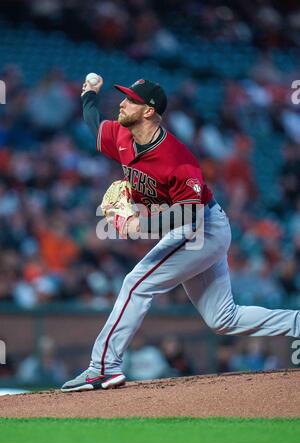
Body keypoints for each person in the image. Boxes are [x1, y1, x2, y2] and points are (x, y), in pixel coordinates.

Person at [61, 76, 299, 392]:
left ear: (149, 111)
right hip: (193, 229)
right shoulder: (122, 135)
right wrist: (89, 94)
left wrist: (139, 227)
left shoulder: (176, 158)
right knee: (222, 319)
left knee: (136, 285)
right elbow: (94, 125)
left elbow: (189, 213)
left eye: (130, 100)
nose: (122, 103)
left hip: (202, 227)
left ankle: (103, 368)